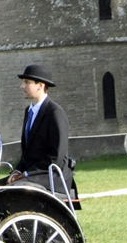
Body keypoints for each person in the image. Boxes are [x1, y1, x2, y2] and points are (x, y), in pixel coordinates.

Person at [6, 64, 75, 198]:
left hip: (51, 176)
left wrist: (26, 174)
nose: (22, 86)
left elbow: (56, 157)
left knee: (10, 192)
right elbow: (27, 155)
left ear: (40, 85)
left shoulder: (55, 112)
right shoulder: (29, 112)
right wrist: (17, 171)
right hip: (31, 175)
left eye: (27, 82)